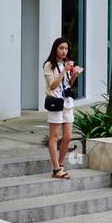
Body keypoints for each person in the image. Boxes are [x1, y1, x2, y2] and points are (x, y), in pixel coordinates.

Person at [43, 37, 83, 179]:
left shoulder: (66, 63)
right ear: (55, 49)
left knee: (68, 136)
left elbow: (68, 85)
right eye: (61, 48)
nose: (64, 51)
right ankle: (56, 169)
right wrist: (64, 70)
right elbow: (53, 85)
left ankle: (61, 165)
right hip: (55, 103)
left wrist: (74, 75)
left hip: (67, 103)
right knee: (54, 137)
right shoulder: (49, 65)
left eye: (66, 49)